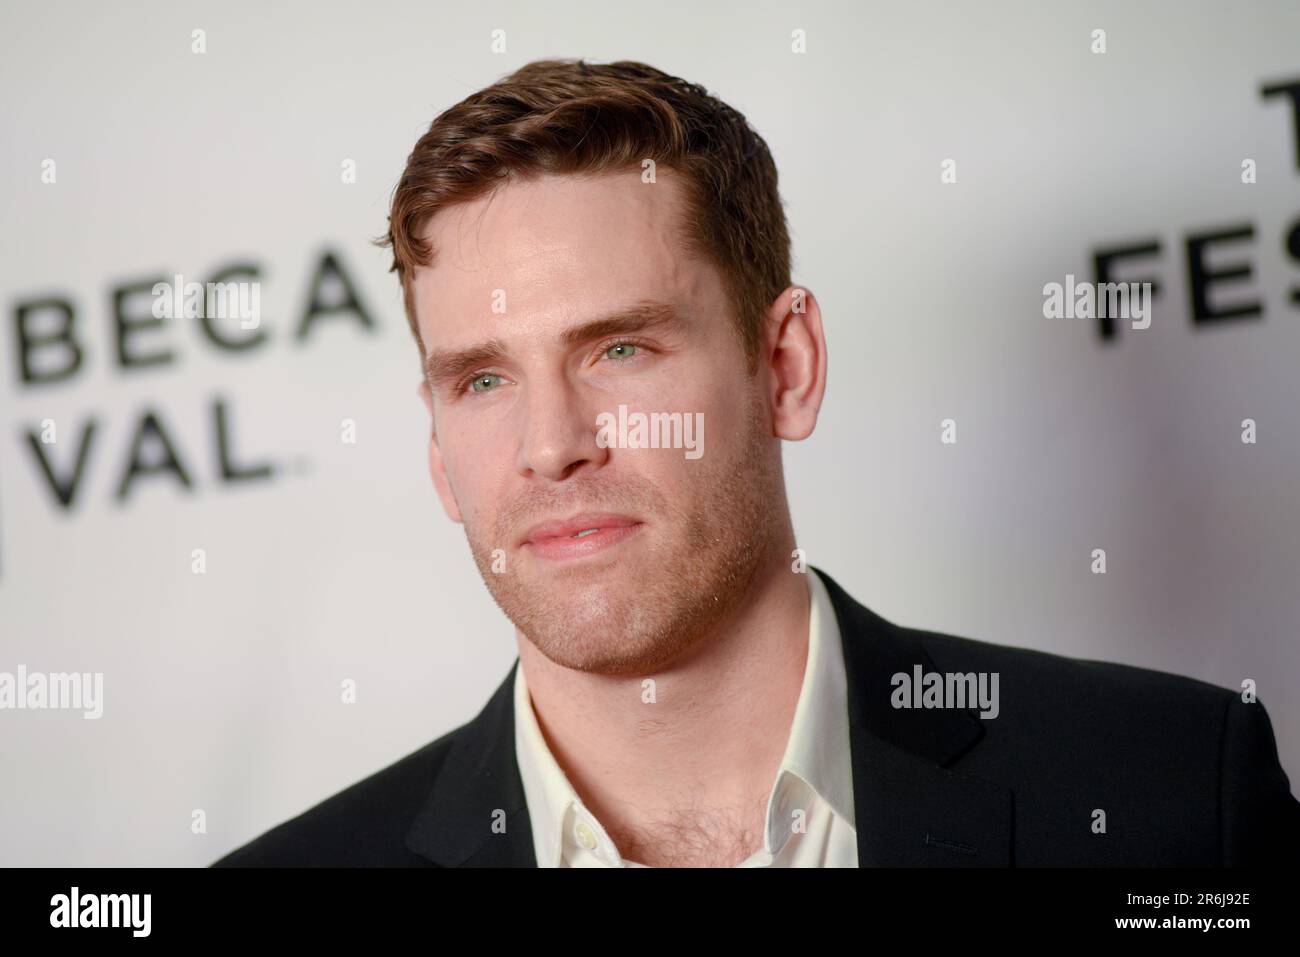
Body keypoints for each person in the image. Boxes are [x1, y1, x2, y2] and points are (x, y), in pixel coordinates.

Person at [213, 58, 1300, 868]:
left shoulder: (1169, 792)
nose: (552, 446)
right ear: (439, 452)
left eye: (620, 349)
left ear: (784, 367)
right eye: (483, 381)